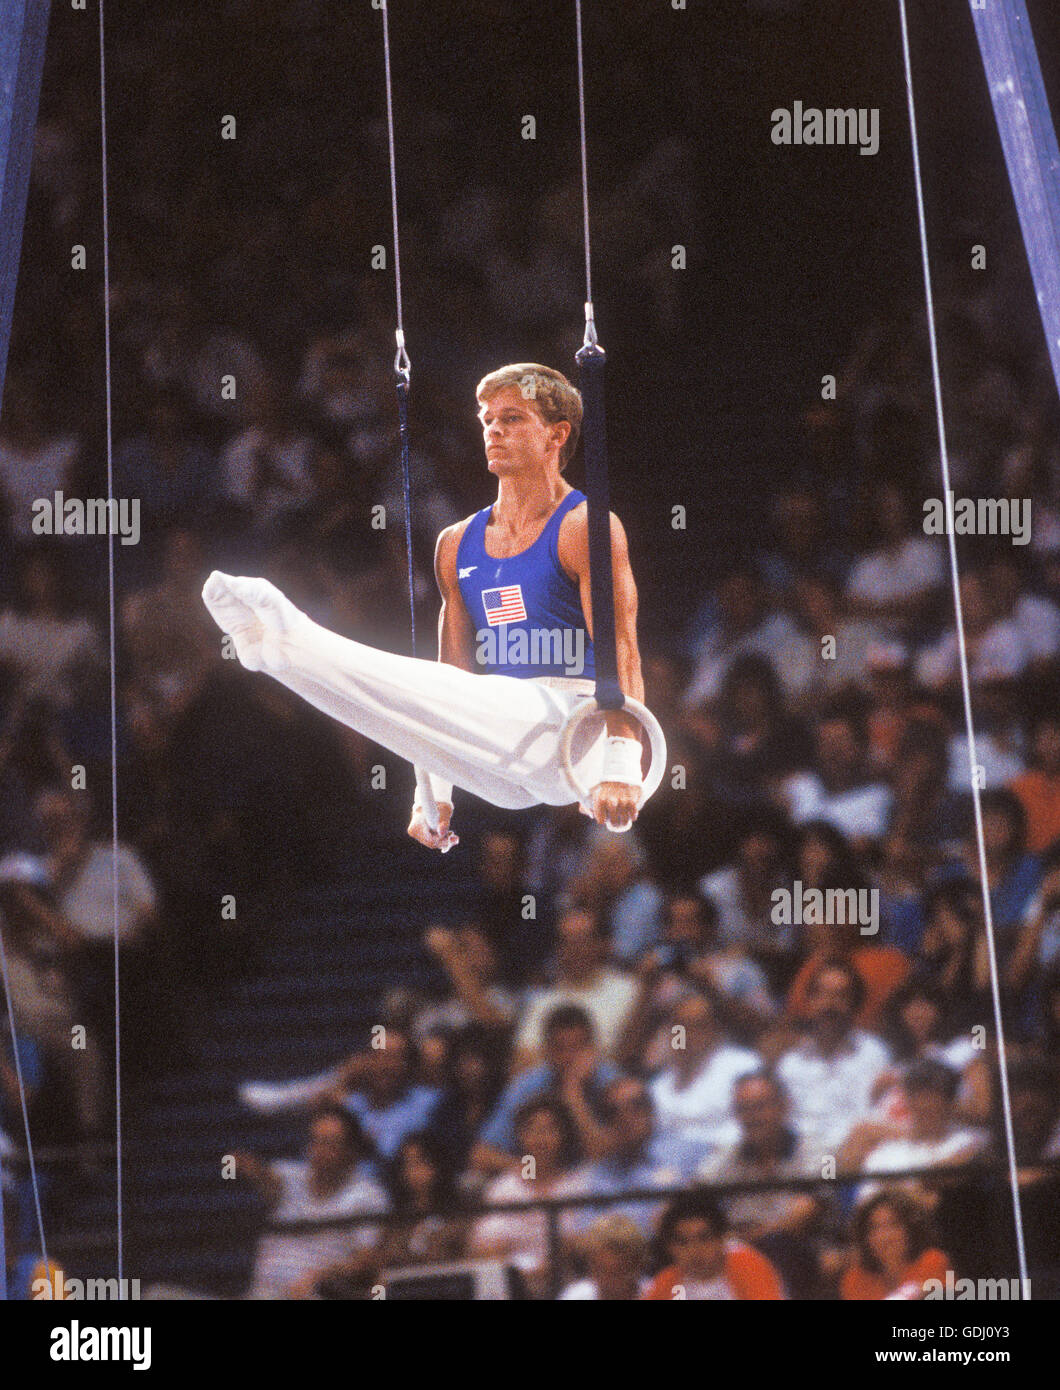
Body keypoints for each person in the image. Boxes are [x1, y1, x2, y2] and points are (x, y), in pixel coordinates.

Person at [202, 363, 665, 842]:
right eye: (487, 420)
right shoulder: (456, 542)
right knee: (384, 711)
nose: (493, 430)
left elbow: (622, 648)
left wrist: (622, 760)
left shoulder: (584, 527)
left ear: (555, 435)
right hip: (501, 754)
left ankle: (295, 640)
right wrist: (433, 792)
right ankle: (281, 657)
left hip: (573, 730)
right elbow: (448, 686)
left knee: (419, 690)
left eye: (511, 418)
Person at [239, 1105, 389, 1300]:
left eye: (329, 1143)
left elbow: (368, 1262)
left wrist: (320, 1276)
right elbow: (262, 1178)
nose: (319, 1151)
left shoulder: (368, 1196)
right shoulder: (288, 1176)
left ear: (350, 1151)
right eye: (315, 1141)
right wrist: (238, 1165)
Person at [642, 1188, 785, 1300]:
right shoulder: (666, 1283)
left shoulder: (748, 1265)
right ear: (670, 1247)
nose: (694, 1251)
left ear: (722, 1239)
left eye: (704, 1238)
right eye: (682, 1242)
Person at [839, 1189, 949, 1300]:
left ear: (911, 1229)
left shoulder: (933, 1262)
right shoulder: (854, 1278)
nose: (884, 1237)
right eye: (874, 1228)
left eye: (893, 1225)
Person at [558, 1214, 650, 1300]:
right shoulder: (575, 1296)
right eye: (599, 1270)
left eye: (616, 1272)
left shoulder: (656, 1292)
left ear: (637, 1267)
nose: (606, 1281)